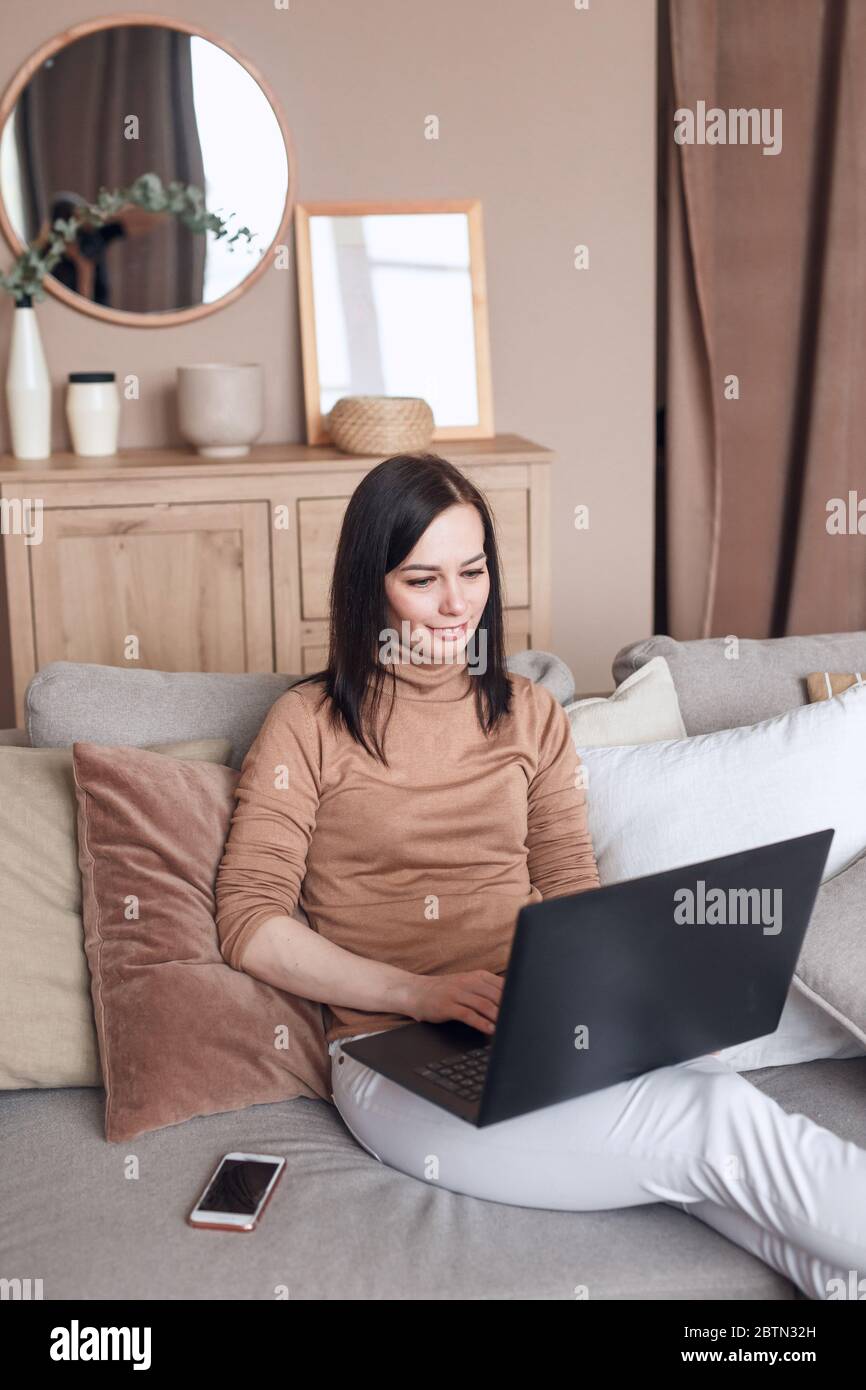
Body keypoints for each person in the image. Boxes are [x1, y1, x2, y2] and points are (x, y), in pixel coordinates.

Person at [214, 452, 866, 1301]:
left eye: (473, 571)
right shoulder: (307, 724)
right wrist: (421, 993)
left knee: (746, 1172)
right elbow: (248, 918)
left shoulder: (530, 714)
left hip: (557, 1023)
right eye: (423, 579)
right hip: (395, 1055)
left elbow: (568, 883)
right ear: (369, 588)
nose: (457, 604)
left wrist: (640, 1007)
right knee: (721, 1126)